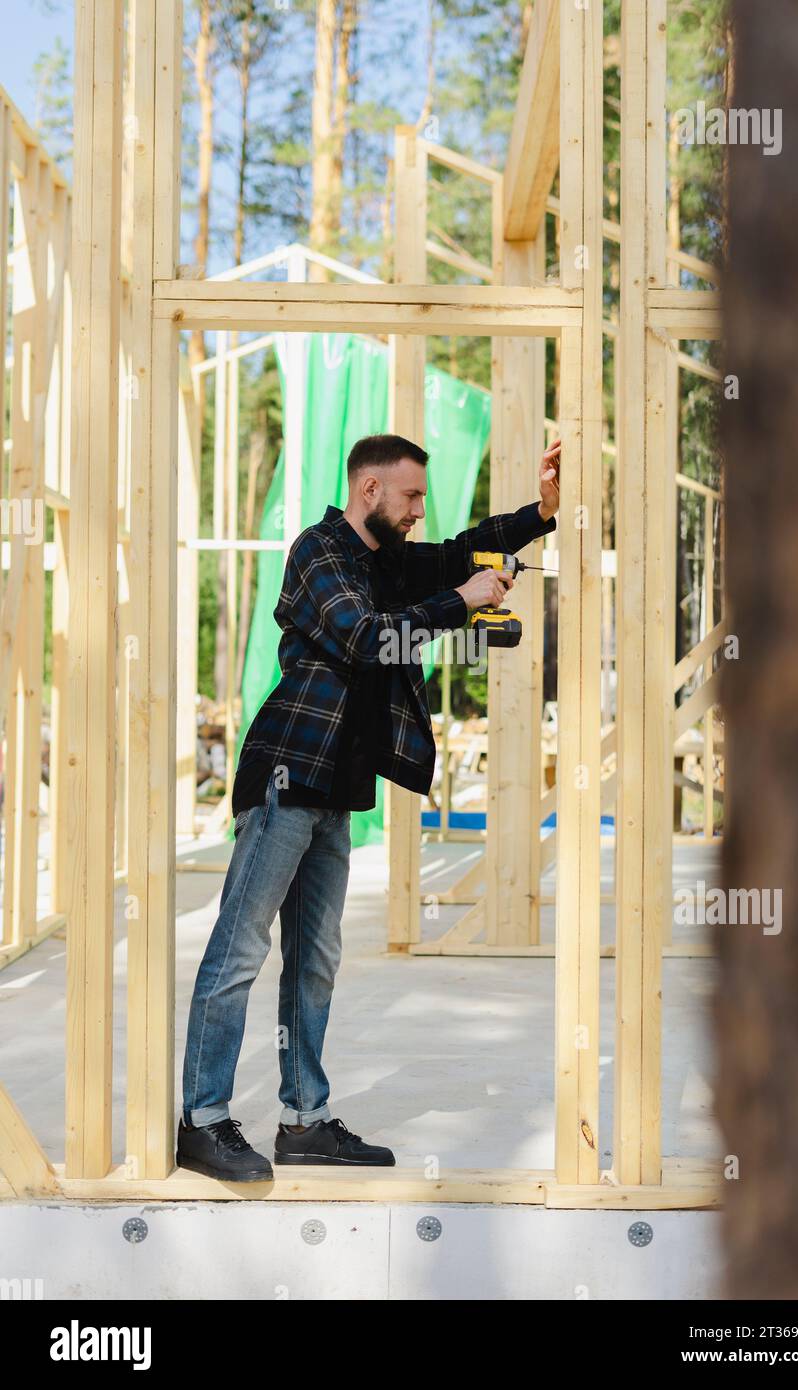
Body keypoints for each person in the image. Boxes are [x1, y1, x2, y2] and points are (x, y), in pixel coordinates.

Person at [177, 431, 561, 1180]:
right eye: (411, 495)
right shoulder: (318, 552)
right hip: (288, 774)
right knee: (239, 950)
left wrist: (538, 516)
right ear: (371, 491)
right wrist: (461, 602)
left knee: (315, 961)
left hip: (337, 790)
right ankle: (201, 1119)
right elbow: (364, 638)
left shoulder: (387, 561)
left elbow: (461, 550)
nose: (420, 510)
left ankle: (304, 1119)